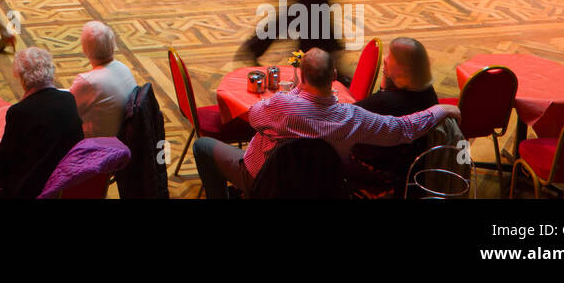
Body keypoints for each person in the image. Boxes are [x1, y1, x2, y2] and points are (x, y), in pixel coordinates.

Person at [193, 48, 460, 198]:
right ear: (334, 76)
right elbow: (403, 128)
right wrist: (439, 108)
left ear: (300, 76)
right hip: (322, 189)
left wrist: (294, 92)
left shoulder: (282, 107)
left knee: (202, 147)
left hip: (266, 183)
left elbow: (253, 118)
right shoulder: (352, 117)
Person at [0, 48, 84, 199]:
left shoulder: (19, 111)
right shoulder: (68, 99)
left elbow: (6, 159)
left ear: (23, 78)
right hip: (66, 177)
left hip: (32, 187)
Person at [347, 39, 443, 188]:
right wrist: (388, 77)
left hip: (382, 175)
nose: (385, 58)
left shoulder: (385, 102)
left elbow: (344, 117)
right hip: (413, 170)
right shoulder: (428, 92)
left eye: (390, 56)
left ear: (403, 68)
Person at [69, 22, 137, 138]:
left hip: (98, 144)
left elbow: (67, 111)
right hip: (126, 138)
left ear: (85, 49)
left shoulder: (87, 82)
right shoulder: (123, 68)